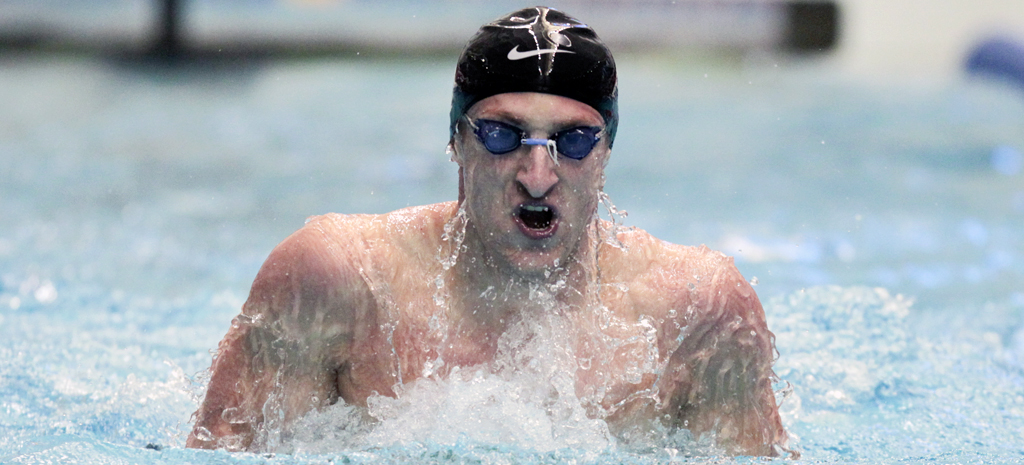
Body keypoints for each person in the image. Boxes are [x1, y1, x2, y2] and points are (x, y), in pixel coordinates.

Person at [187, 6, 790, 456]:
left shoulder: (698, 314)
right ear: (456, 140)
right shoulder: (341, 280)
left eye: (573, 141)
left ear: (607, 151)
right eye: (502, 135)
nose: (536, 175)